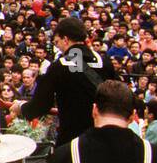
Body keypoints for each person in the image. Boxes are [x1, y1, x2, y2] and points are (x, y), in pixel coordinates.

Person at [13, 17, 117, 146]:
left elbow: (40, 105)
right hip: (104, 139)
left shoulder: (59, 67)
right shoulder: (105, 63)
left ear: (66, 39)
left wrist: (21, 107)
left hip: (72, 140)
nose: (58, 47)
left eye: (57, 42)